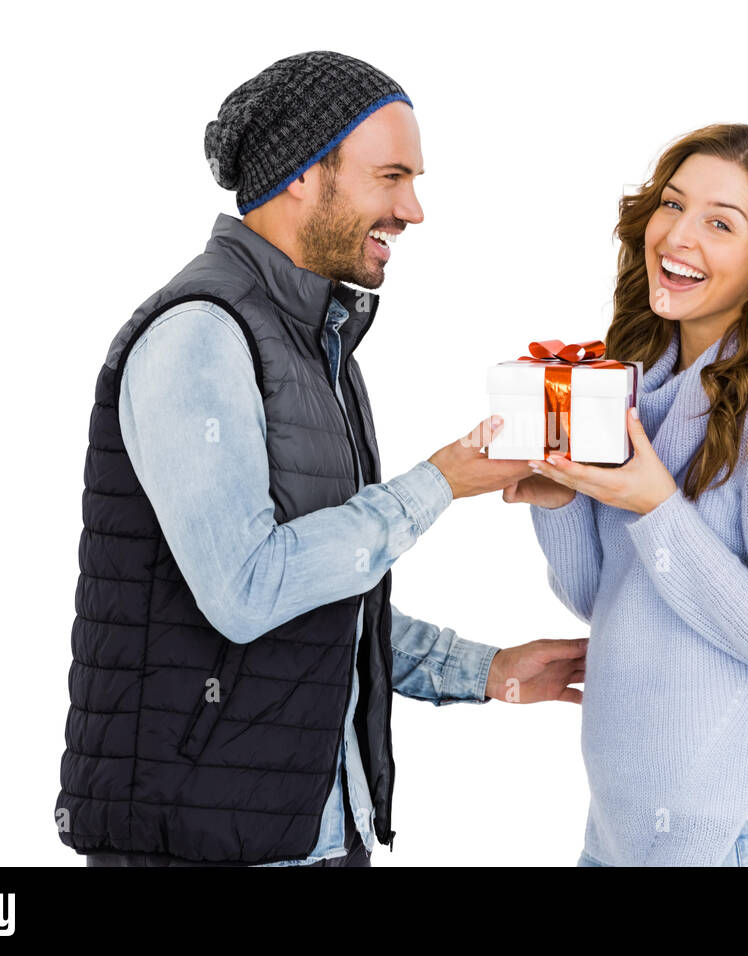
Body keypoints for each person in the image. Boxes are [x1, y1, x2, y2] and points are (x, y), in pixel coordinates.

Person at [55, 50, 587, 868]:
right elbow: (249, 589)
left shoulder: (318, 345)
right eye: (392, 176)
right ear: (304, 173)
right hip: (205, 846)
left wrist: (488, 671)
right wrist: (440, 482)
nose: (413, 209)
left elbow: (317, 600)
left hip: (316, 833)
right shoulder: (201, 334)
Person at [504, 124, 748, 866]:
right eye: (672, 205)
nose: (677, 236)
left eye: (720, 222)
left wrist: (657, 507)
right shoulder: (641, 382)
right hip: (623, 828)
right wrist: (558, 501)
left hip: (738, 832)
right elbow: (616, 601)